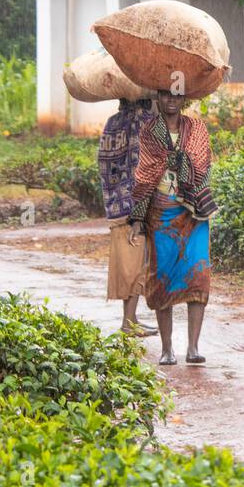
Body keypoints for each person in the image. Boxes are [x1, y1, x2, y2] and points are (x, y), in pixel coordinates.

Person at [130, 91, 218, 366]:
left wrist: (181, 162)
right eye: (166, 96)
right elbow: (144, 173)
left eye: (177, 96)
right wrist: (137, 218)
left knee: (198, 276)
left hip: (194, 212)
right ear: (157, 98)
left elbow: (202, 165)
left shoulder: (196, 129)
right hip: (161, 213)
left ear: (185, 100)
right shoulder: (149, 132)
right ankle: (167, 349)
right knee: (162, 278)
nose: (171, 101)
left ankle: (193, 348)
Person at [98, 95, 157, 336]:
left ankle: (130, 319)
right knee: (138, 264)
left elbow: (104, 166)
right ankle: (128, 322)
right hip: (136, 209)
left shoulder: (112, 123)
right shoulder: (144, 123)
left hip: (116, 206)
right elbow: (142, 168)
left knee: (129, 263)